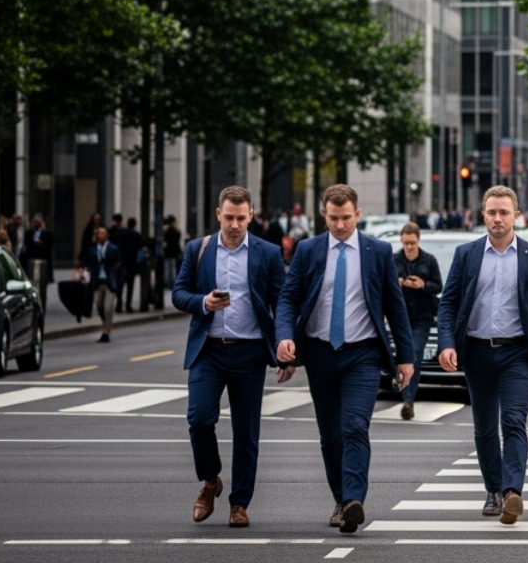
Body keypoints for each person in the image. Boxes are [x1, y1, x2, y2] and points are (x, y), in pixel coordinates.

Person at [275, 184, 416, 534]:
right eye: (334, 218)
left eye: (347, 218)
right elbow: (288, 299)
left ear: (358, 214)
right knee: (330, 436)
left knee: (354, 426)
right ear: (324, 214)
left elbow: (395, 308)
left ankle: (354, 499)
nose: (340, 225)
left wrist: (405, 358)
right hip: (320, 353)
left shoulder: (378, 251)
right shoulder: (308, 251)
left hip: (363, 355)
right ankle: (341, 500)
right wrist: (284, 339)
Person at [437, 185, 528, 525]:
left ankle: (512, 492)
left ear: (516, 216)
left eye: (504, 212)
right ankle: (493, 489)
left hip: (518, 353)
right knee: (484, 428)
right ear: (483, 215)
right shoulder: (466, 254)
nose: (497, 218)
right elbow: (448, 303)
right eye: (491, 212)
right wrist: (447, 343)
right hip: (477, 351)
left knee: (513, 422)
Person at [172, 186, 293, 528]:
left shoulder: (267, 254)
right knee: (199, 419)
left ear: (251, 215)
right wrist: (202, 303)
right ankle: (210, 480)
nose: (235, 224)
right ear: (218, 214)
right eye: (229, 217)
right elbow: (179, 293)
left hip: (250, 351)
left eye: (241, 218)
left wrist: (285, 349)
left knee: (246, 432)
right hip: (208, 350)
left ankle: (239, 503)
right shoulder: (199, 249)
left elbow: (281, 302)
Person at [394, 222, 442, 420]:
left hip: (423, 315)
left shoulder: (429, 260)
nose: (409, 247)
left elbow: (438, 286)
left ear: (418, 241)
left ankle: (408, 399)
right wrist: (396, 283)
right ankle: (403, 388)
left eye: (412, 243)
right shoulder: (394, 259)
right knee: (401, 355)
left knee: (414, 354)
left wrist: (422, 284)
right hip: (400, 315)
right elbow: (382, 283)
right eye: (406, 243)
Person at [82, 224, 124, 342]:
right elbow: (86, 262)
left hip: (110, 282)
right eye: (98, 233)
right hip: (97, 281)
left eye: (103, 233)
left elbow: (119, 264)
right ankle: (105, 324)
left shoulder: (113, 248)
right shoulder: (92, 249)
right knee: (99, 306)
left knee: (107, 308)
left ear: (107, 235)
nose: (100, 235)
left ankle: (106, 332)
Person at [19, 213, 55, 302]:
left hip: (43, 263)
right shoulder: (29, 233)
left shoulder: (47, 233)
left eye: (38, 222)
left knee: (42, 289)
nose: (36, 224)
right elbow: (28, 246)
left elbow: (49, 247)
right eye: (35, 222)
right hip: (31, 262)